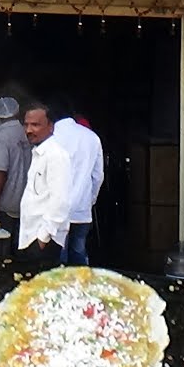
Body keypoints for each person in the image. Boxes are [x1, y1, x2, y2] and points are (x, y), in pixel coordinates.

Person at [49, 100, 104, 265]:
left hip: (55, 209)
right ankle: (81, 287)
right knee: (78, 251)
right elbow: (97, 175)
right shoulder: (91, 137)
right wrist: (90, 199)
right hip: (82, 210)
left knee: (59, 256)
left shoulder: (50, 138)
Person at [18, 102, 72, 262]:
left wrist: (42, 238)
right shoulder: (39, 153)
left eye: (35, 125)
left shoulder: (56, 155)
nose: (28, 130)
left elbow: (61, 202)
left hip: (44, 239)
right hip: (30, 236)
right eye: (26, 125)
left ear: (51, 127)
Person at [0, 96, 30, 243]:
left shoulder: (2, 134)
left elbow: (1, 171)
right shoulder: (25, 129)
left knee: (3, 245)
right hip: (27, 198)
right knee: (21, 244)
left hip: (9, 199)